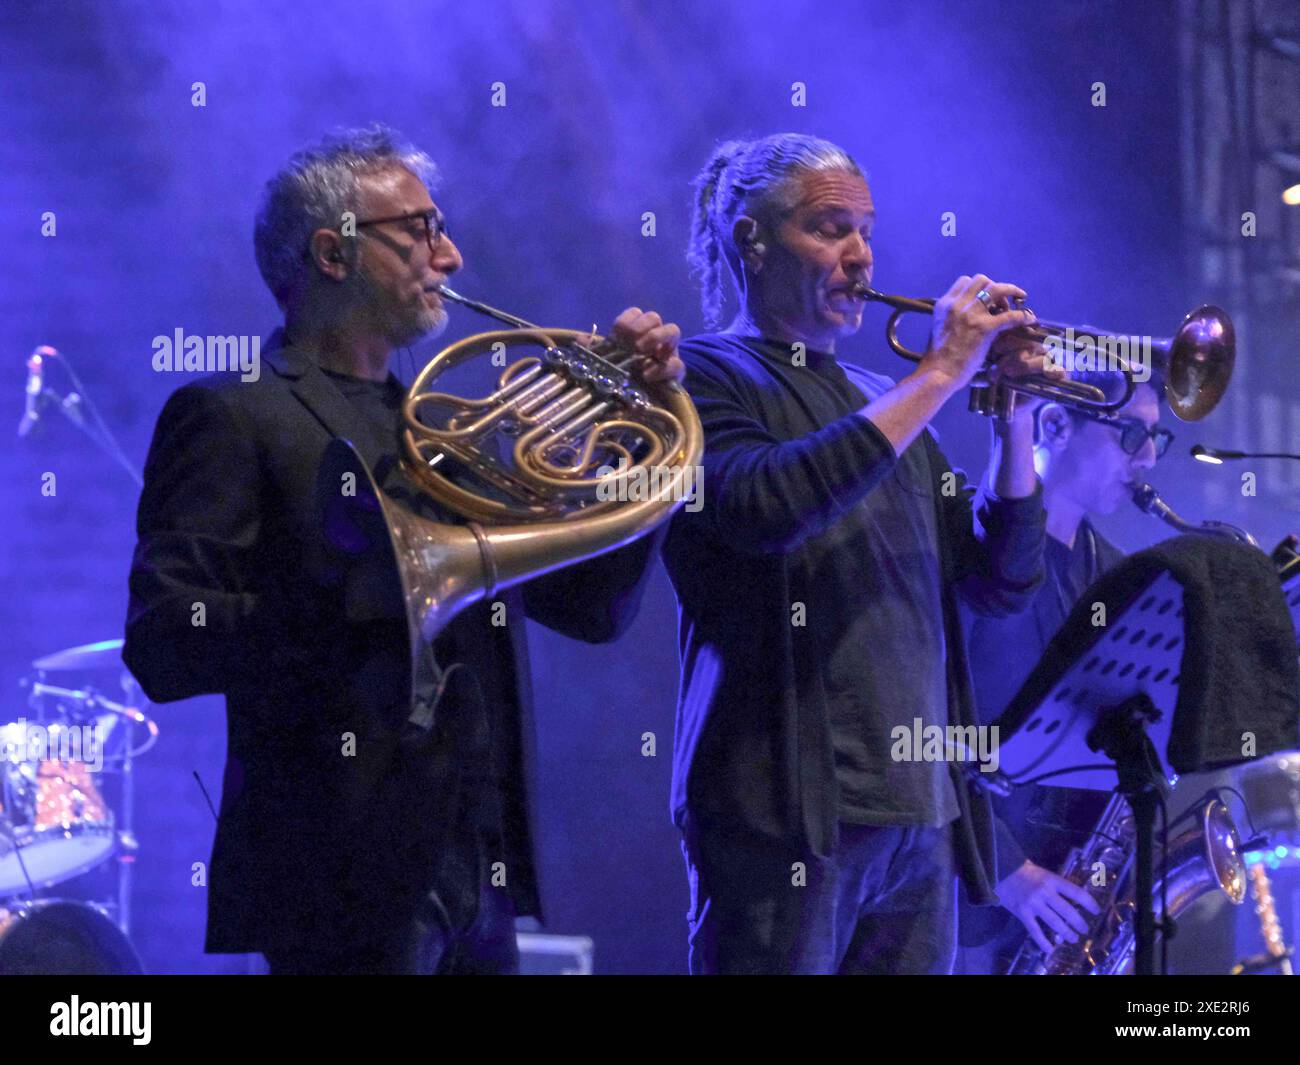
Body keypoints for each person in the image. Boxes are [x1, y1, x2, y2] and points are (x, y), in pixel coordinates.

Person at [122, 124, 684, 974]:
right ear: (333, 251)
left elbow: (591, 609)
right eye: (421, 229)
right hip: (334, 864)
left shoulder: (447, 434)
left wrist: (635, 451)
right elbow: (165, 638)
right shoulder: (232, 411)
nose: (450, 256)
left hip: (478, 859)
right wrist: (363, 596)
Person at [661, 132, 1051, 975]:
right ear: (749, 239)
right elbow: (766, 505)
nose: (861, 256)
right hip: (782, 812)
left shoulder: (888, 401)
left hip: (920, 814)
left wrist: (1014, 421)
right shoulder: (699, 376)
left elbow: (998, 580)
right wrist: (943, 372)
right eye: (830, 228)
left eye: (866, 231)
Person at [958, 368, 1168, 974]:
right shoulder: (965, 548)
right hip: (970, 900)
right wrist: (1009, 870)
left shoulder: (1122, 577)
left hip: (1069, 903)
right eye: (1131, 435)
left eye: (1156, 439)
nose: (1149, 458)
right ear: (1053, 424)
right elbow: (917, 721)